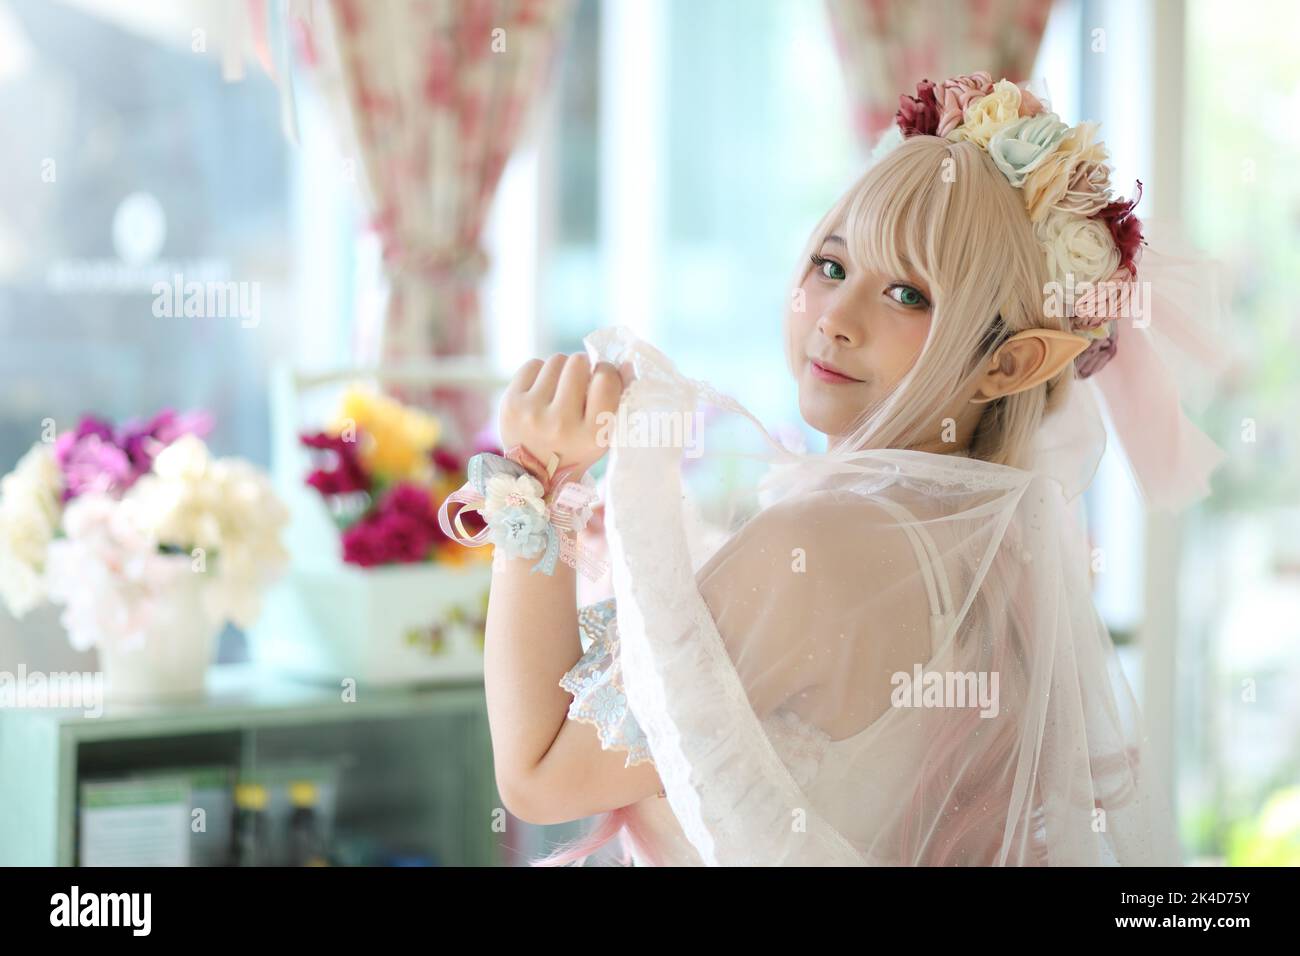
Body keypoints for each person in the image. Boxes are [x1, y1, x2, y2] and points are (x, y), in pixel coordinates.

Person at [440, 72, 1230, 866]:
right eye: (831, 265)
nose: (837, 320)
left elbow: (539, 774)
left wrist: (531, 483)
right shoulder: (993, 556)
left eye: (907, 294)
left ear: (1010, 361)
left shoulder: (820, 547)